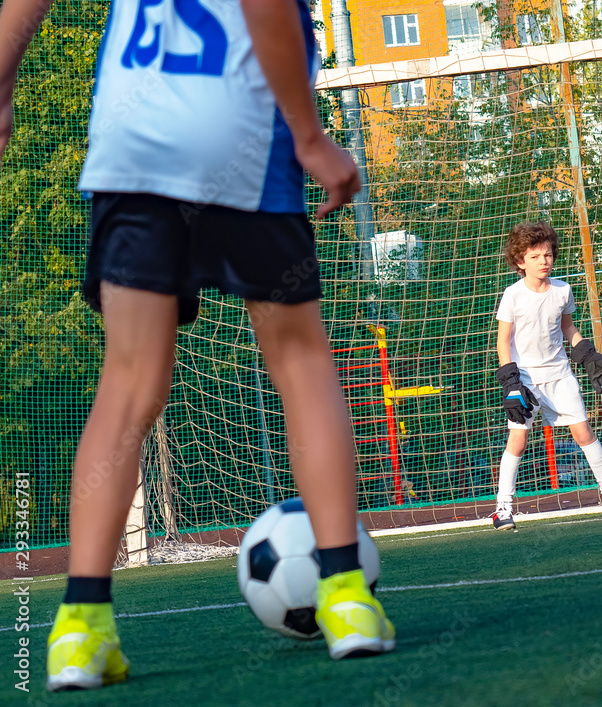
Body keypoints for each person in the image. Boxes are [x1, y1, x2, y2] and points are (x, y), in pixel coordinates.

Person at [0, 0, 394, 691]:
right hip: (242, 128)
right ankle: (345, 597)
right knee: (300, 360)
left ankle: (78, 629)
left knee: (128, 382)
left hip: (133, 142)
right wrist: (309, 135)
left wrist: (1, 87)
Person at [492, 221, 602, 531]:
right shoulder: (512, 295)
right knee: (518, 439)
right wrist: (511, 383)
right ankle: (503, 508)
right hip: (525, 381)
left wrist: (587, 353)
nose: (543, 261)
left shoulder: (562, 290)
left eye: (547, 255)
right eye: (534, 256)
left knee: (583, 432)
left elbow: (567, 327)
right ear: (519, 261)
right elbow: (503, 341)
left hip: (559, 375)